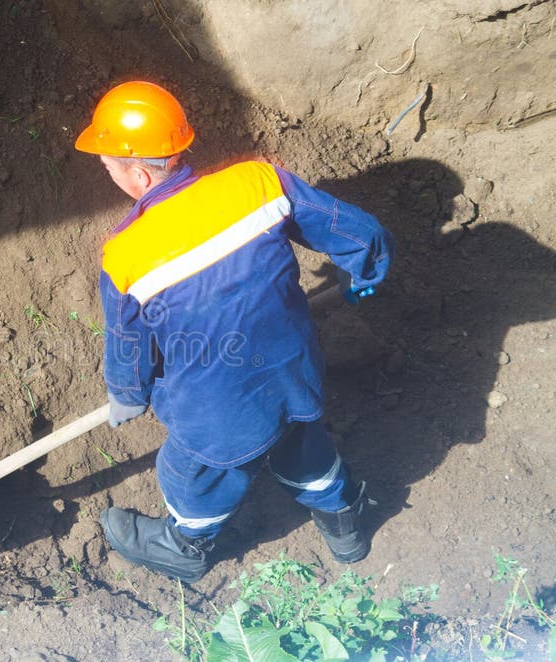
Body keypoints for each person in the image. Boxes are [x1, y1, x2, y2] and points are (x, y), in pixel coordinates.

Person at [74, 81, 394, 583]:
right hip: (295, 372)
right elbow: (356, 232)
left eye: (108, 165)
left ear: (137, 173)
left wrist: (126, 395)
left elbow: (130, 346)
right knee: (302, 440)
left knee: (194, 473)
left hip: (216, 409)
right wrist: (364, 273)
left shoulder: (125, 257)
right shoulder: (258, 184)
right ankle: (345, 524)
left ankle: (186, 545)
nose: (108, 172)